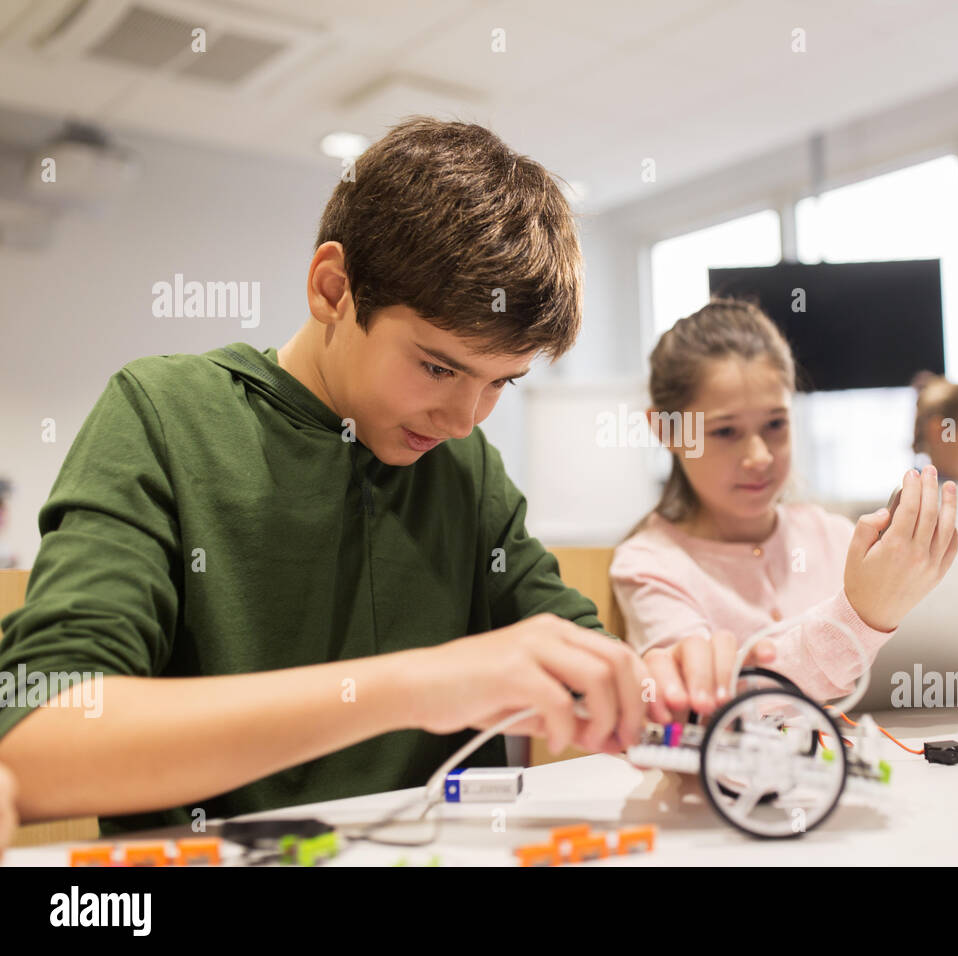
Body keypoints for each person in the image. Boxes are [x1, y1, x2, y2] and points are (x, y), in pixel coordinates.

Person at [0, 118, 649, 836]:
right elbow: (35, 742)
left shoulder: (462, 463)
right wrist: (421, 685)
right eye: (439, 367)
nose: (467, 419)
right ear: (333, 288)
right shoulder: (163, 415)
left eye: (504, 383)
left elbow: (580, 663)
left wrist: (661, 686)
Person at [610, 299, 958, 712]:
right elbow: (710, 712)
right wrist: (860, 617)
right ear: (667, 431)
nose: (760, 455)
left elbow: (934, 697)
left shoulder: (833, 536)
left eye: (776, 424)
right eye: (725, 431)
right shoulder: (650, 564)